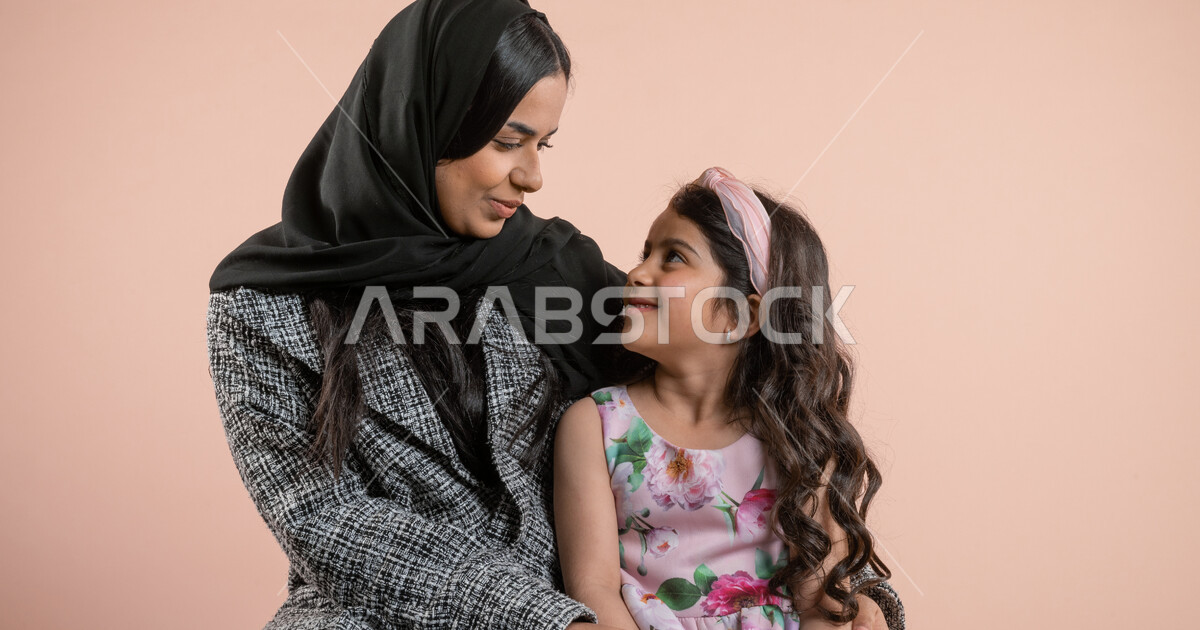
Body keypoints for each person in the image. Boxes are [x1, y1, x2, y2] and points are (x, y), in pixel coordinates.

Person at [205, 0, 906, 627]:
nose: (532, 176)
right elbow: (326, 522)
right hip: (409, 610)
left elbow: (728, 384)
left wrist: (853, 592)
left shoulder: (552, 266)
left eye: (543, 145)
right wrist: (548, 621)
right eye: (508, 141)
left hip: (600, 602)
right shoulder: (265, 307)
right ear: (425, 120)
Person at [553, 168, 905, 630]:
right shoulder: (597, 425)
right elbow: (593, 588)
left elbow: (818, 598)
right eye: (645, 254)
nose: (636, 273)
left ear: (742, 313)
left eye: (673, 257)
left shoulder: (794, 435)